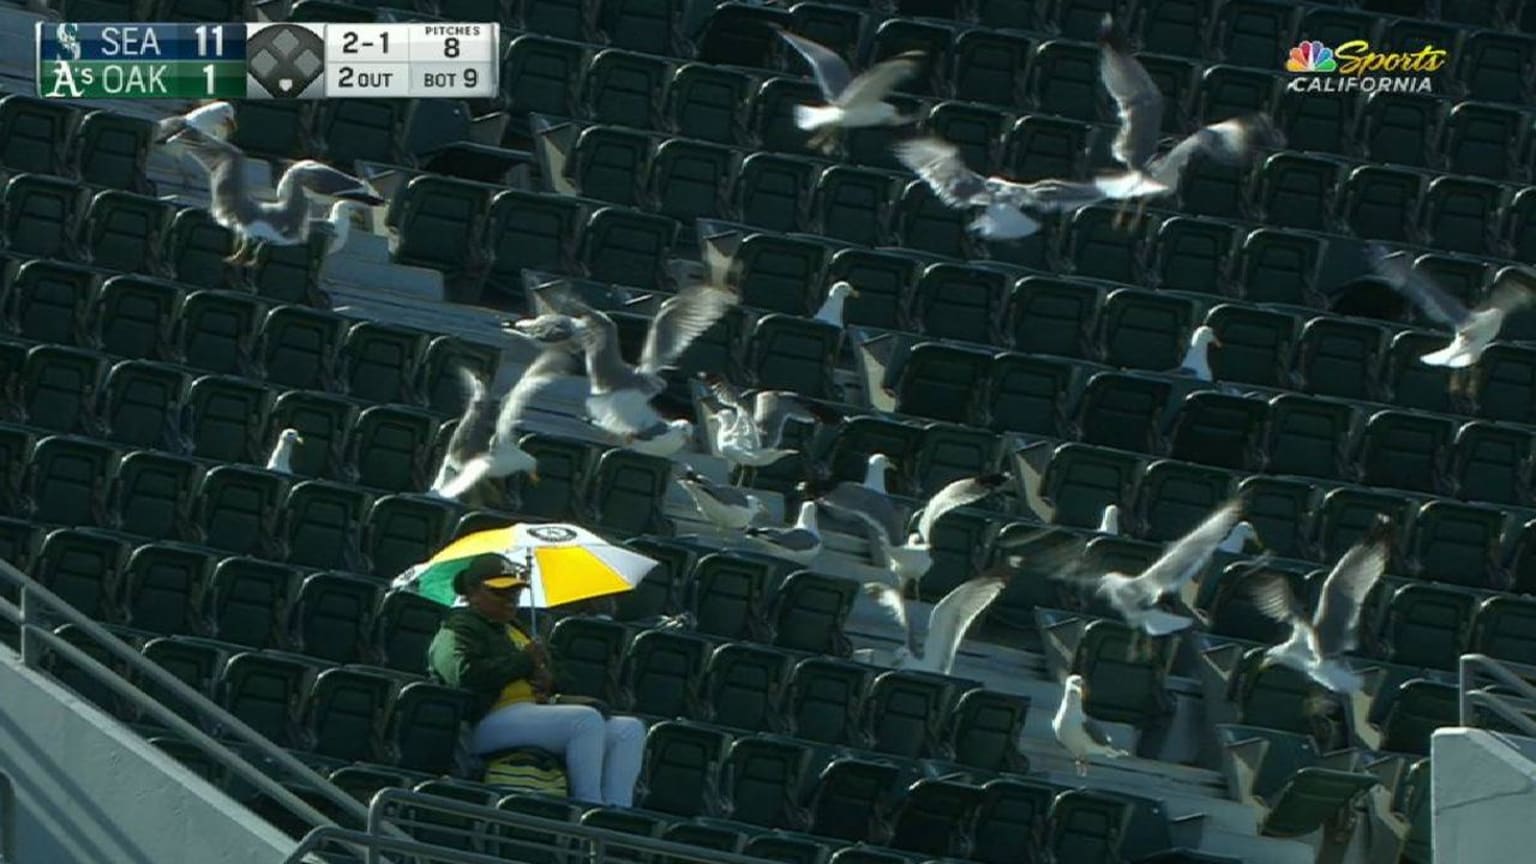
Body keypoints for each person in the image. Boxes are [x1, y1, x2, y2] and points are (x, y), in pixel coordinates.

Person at [427, 553, 645, 807]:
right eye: (499, 593)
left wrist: (549, 681)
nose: (510, 600)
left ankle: (616, 813)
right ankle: (589, 810)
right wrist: (524, 662)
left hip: (533, 714)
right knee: (584, 721)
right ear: (473, 592)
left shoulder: (519, 629)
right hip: (484, 720)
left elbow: (565, 679)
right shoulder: (457, 627)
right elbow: (463, 676)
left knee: (628, 730)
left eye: (515, 593)